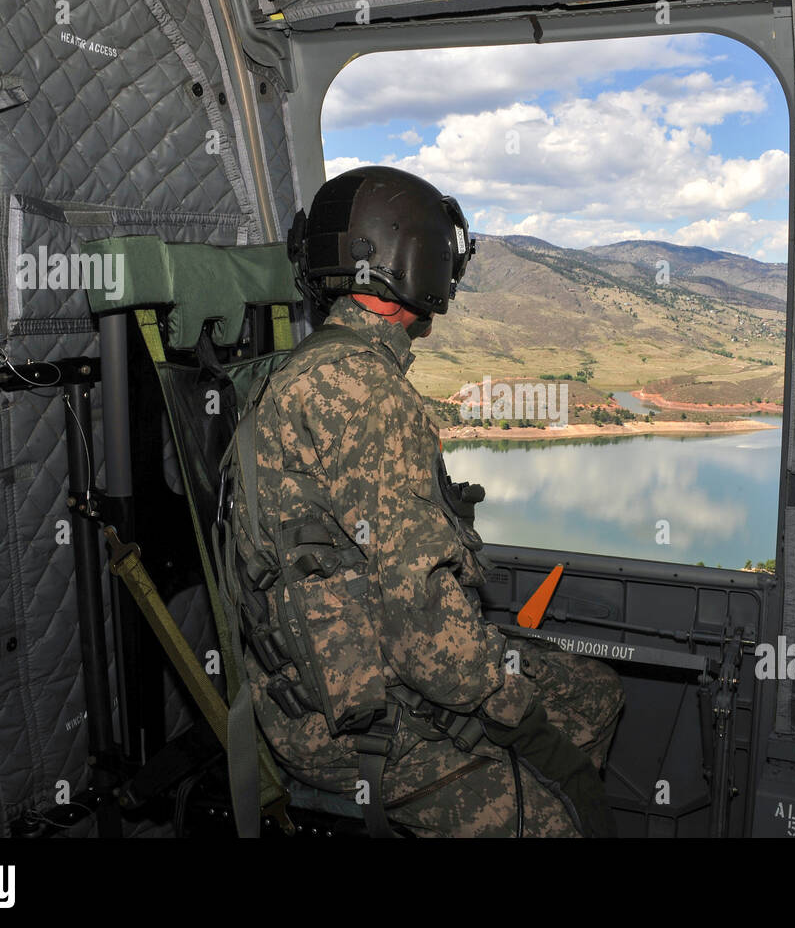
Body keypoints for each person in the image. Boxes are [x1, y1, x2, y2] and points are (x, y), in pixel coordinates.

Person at [229, 165, 625, 836]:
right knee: (561, 812)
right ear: (410, 263)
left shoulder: (301, 371)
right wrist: (520, 719)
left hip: (317, 685)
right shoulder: (368, 396)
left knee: (593, 692)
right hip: (354, 723)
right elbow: (421, 626)